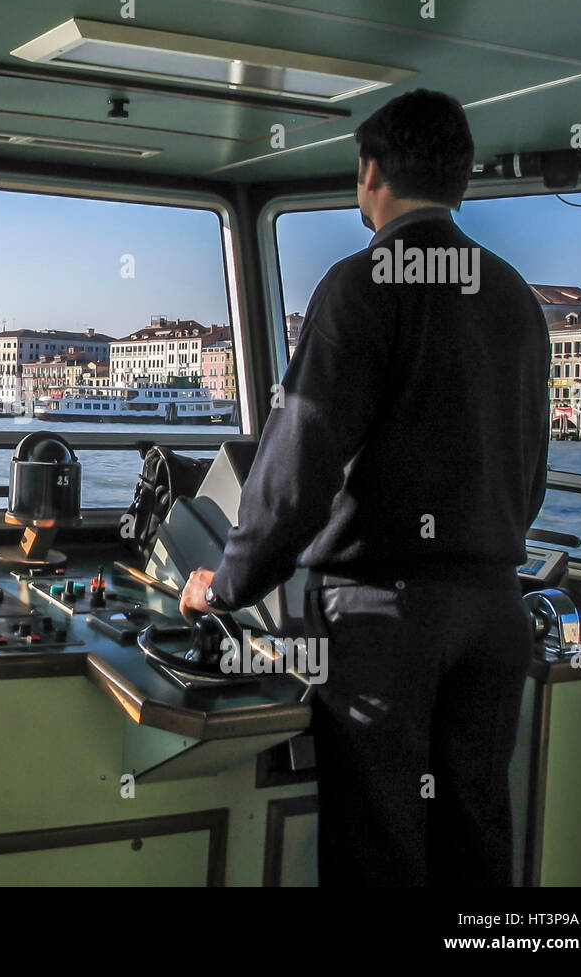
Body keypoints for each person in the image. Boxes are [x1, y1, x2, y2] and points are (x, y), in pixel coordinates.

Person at [180, 89, 549, 887]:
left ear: (370, 173)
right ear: (459, 181)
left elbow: (294, 473)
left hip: (386, 625)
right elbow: (530, 473)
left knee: (380, 853)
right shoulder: (517, 296)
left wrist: (227, 586)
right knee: (476, 842)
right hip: (495, 613)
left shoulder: (359, 285)